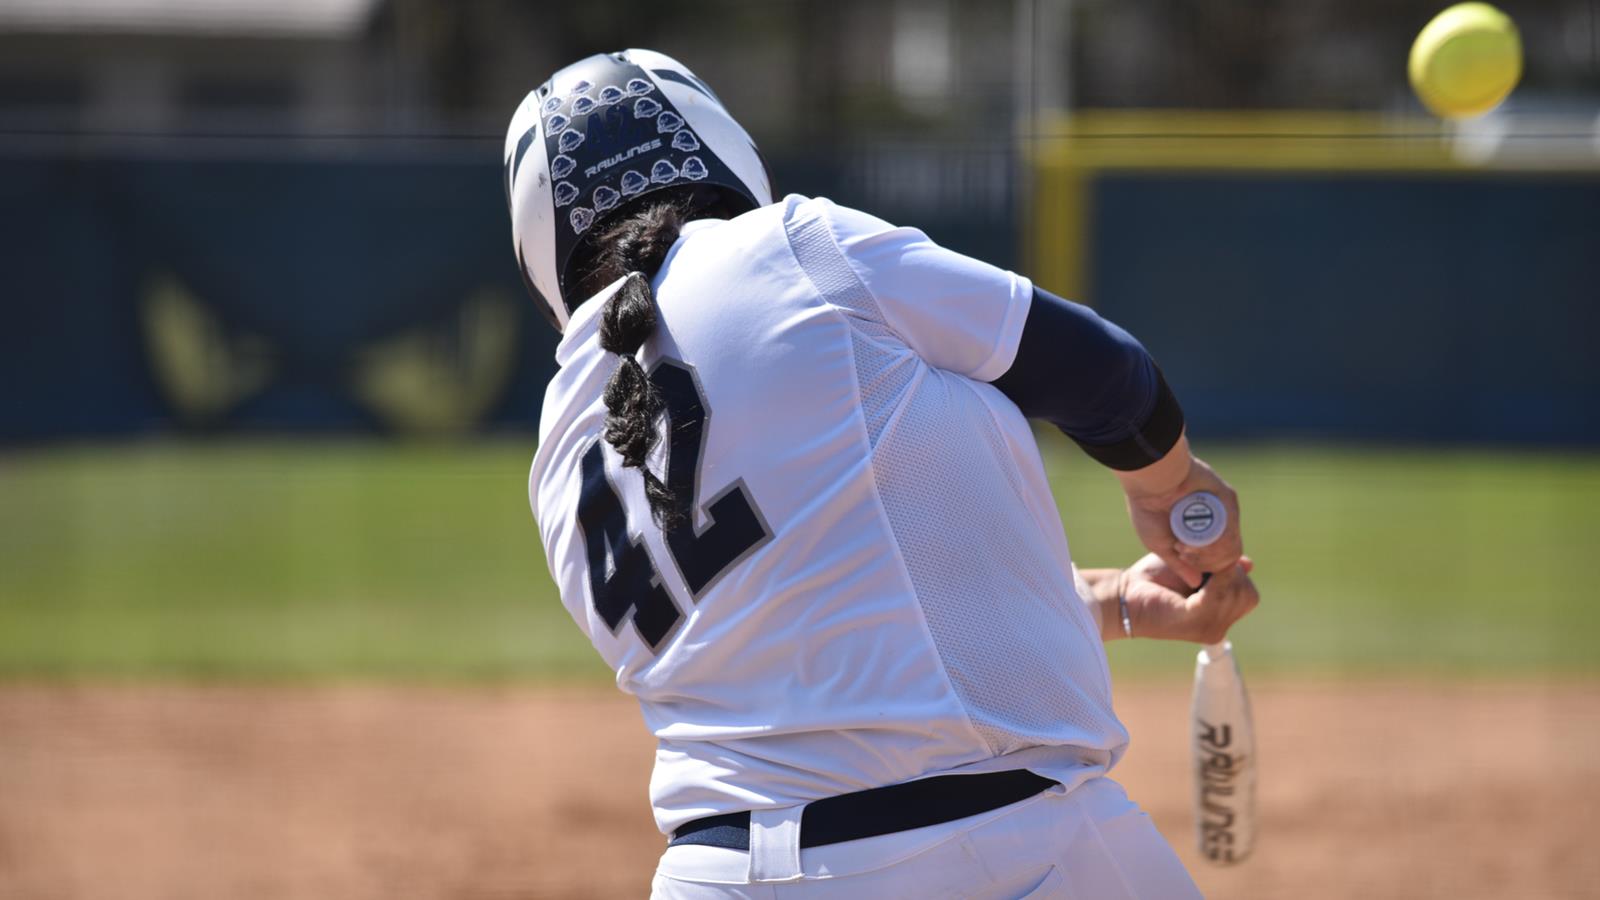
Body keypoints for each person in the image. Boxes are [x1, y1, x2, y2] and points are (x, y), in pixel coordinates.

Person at [505, 49, 1258, 899]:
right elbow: (1099, 370)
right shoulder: (790, 249)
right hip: (992, 846)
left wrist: (1114, 601)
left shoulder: (558, 450)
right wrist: (1171, 490)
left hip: (712, 875)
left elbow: (810, 620)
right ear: (717, 149)